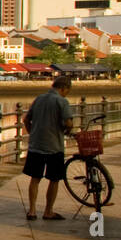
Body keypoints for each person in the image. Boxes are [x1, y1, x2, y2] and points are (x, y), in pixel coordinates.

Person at [22, 76, 74, 220]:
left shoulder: (39, 98)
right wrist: (69, 129)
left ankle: (32, 211)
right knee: (54, 179)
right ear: (64, 88)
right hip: (54, 146)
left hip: (36, 145)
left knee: (35, 178)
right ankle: (48, 211)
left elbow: (26, 119)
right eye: (67, 91)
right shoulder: (61, 101)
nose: (66, 94)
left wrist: (32, 132)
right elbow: (68, 123)